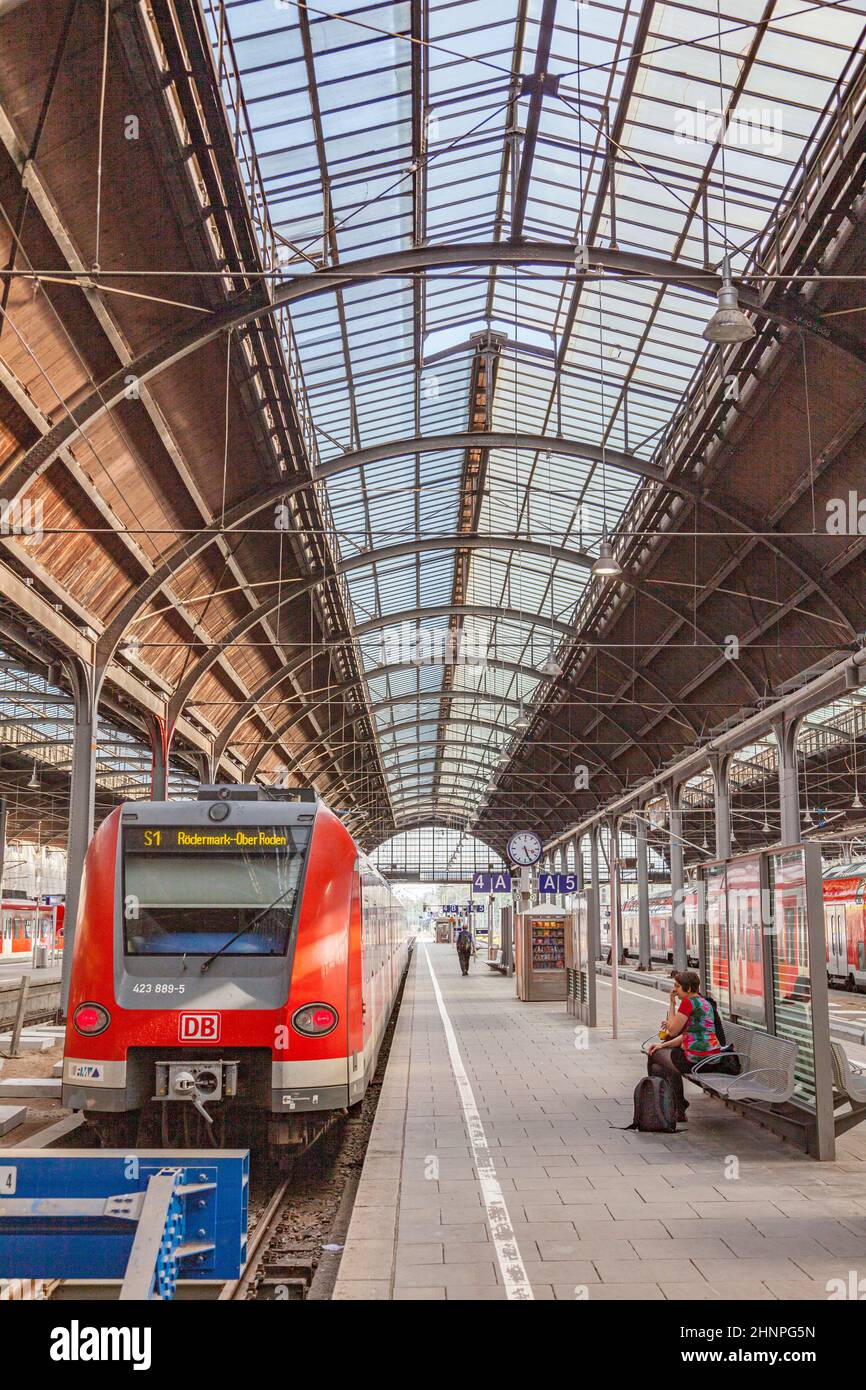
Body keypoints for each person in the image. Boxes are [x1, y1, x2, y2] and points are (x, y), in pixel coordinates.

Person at [646, 969, 722, 1122]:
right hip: (710, 1056)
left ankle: (669, 1106)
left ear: (687, 989)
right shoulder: (703, 1002)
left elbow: (673, 1030)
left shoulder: (688, 1003)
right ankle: (676, 1107)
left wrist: (672, 1004)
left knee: (653, 1056)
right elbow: (684, 1035)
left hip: (697, 1057)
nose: (674, 989)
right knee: (659, 1066)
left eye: (677, 986)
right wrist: (662, 1045)